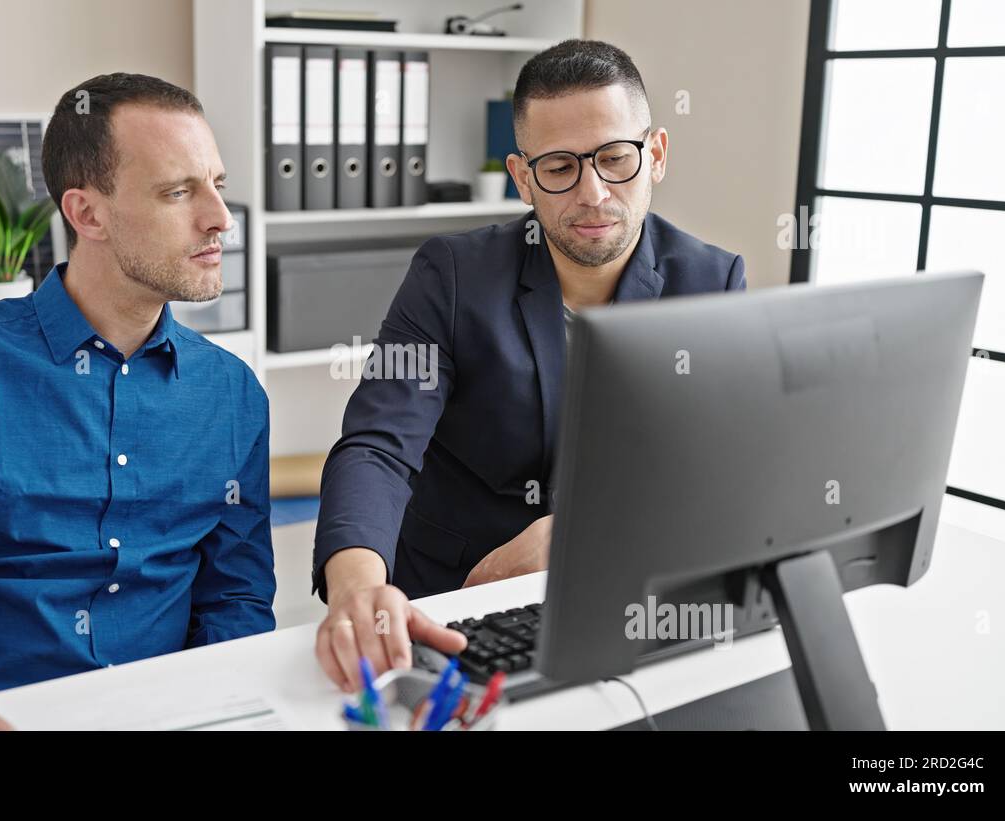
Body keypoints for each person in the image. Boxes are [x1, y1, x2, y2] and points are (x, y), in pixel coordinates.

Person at [312, 39, 747, 692]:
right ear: (522, 176)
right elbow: (379, 445)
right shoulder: (452, 275)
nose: (593, 192)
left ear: (654, 154)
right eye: (560, 167)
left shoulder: (710, 281)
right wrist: (356, 585)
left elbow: (706, 465)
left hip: (617, 592)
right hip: (454, 600)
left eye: (615, 158)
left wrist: (572, 534)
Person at [0, 73, 275, 729]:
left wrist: (226, 709)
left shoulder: (232, 391)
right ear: (87, 213)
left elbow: (237, 596)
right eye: (177, 191)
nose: (220, 218)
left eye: (216, 184)